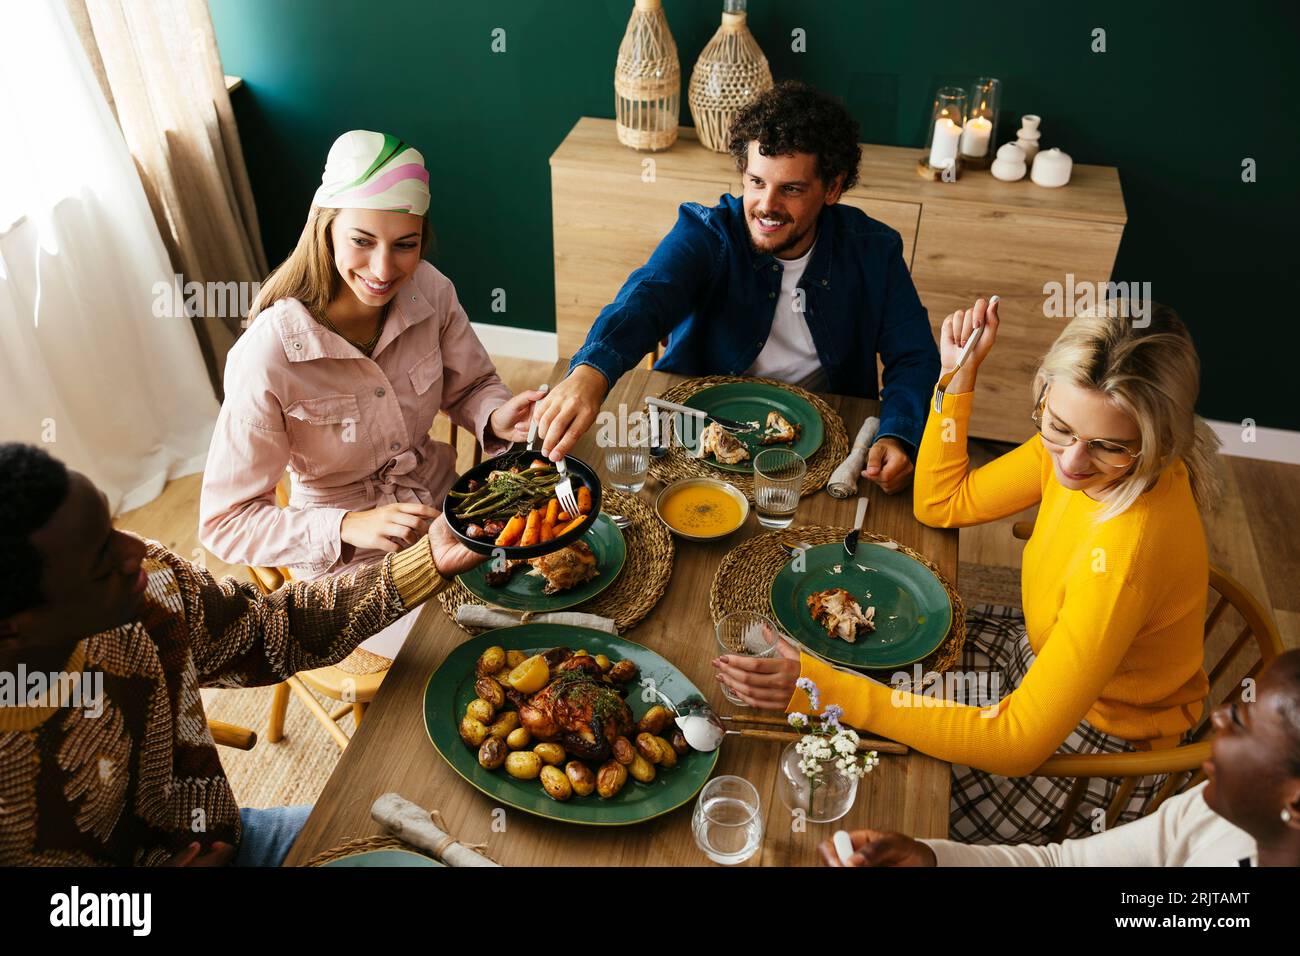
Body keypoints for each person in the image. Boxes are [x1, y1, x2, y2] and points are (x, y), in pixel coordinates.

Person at [715, 299, 1224, 843]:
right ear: (1047, 397)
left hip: (1094, 743)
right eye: (1057, 427)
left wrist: (823, 690)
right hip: (1036, 656)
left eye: (1109, 447)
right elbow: (940, 503)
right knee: (857, 677)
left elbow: (1016, 744)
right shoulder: (1079, 442)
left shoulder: (1126, 558)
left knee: (877, 804)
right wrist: (956, 379)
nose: (1072, 464)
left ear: (1162, 440)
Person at [0, 442, 485, 866]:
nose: (136, 552)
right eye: (101, 562)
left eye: (113, 527)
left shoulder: (150, 585)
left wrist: (426, 561)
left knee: (444, 841)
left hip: (230, 840)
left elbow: (270, 628)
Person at [200, 130, 541, 659]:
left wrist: (496, 416)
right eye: (362, 241)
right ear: (326, 230)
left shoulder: (431, 290)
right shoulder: (267, 354)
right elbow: (225, 523)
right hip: (347, 569)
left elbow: (473, 386)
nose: (384, 271)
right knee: (470, 655)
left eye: (405, 245)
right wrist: (348, 525)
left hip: (449, 508)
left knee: (546, 600)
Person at [535, 82, 939, 495]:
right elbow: (646, 297)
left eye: (792, 189)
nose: (767, 204)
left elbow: (914, 356)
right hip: (698, 432)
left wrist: (898, 433)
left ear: (832, 188)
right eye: (756, 181)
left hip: (824, 441)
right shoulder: (707, 232)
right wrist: (590, 373)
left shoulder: (873, 250)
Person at [817, 650, 1300, 867]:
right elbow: (1064, 863)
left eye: (1240, 721)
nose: (1217, 719)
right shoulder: (1217, 813)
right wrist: (932, 858)